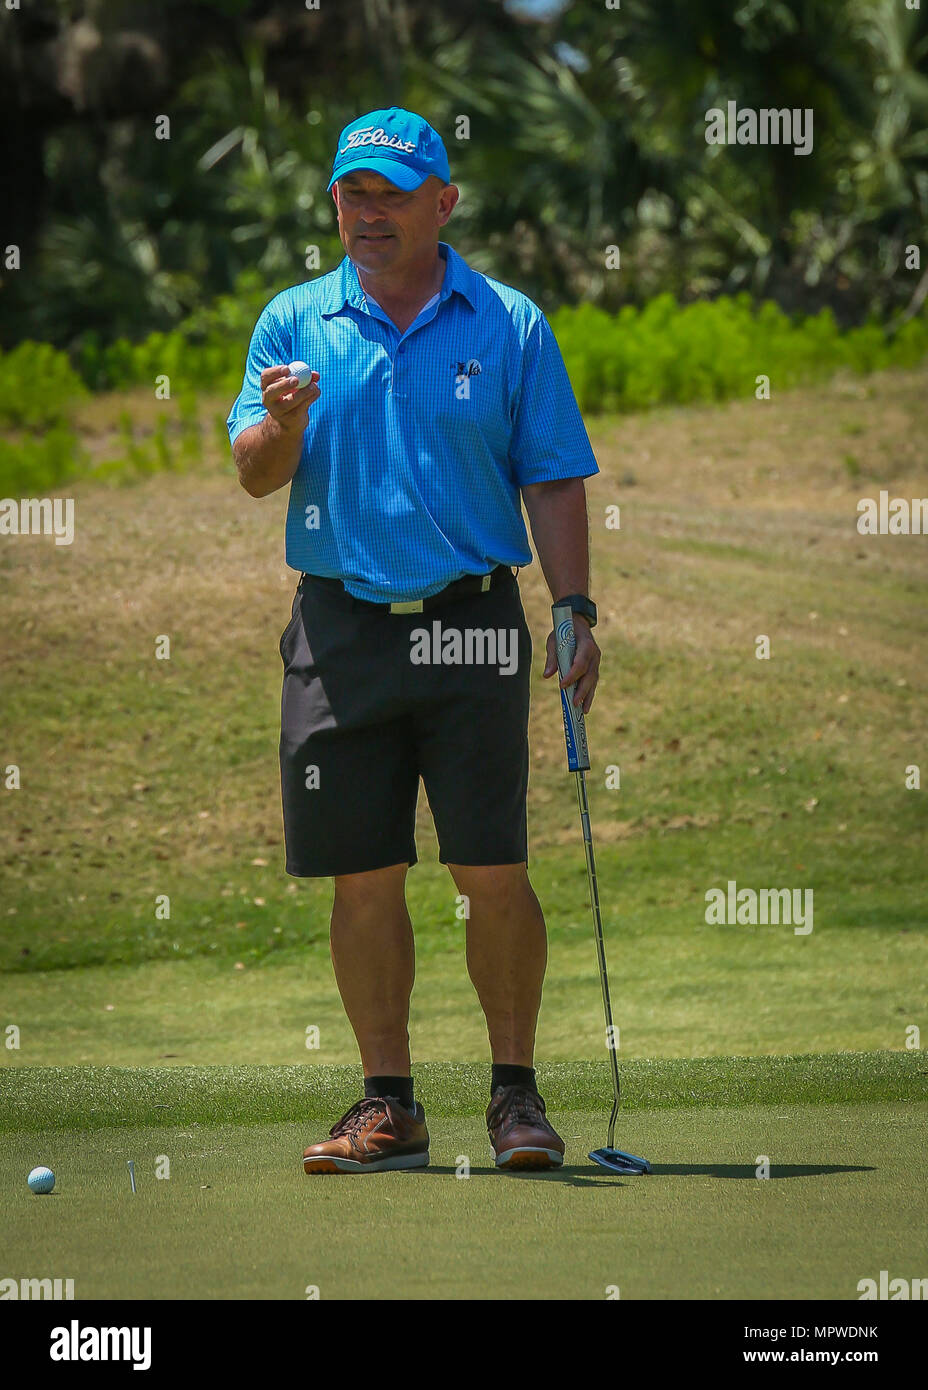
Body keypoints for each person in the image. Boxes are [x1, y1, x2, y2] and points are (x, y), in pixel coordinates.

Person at [227, 107, 601, 1174]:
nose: (367, 213)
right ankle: (387, 1103)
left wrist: (573, 606)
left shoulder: (509, 321)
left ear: (444, 202)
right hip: (339, 625)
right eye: (352, 193)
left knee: (490, 868)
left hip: (474, 619)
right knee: (362, 874)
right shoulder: (294, 321)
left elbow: (553, 473)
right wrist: (284, 423)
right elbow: (254, 470)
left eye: (391, 194)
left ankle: (516, 1097)